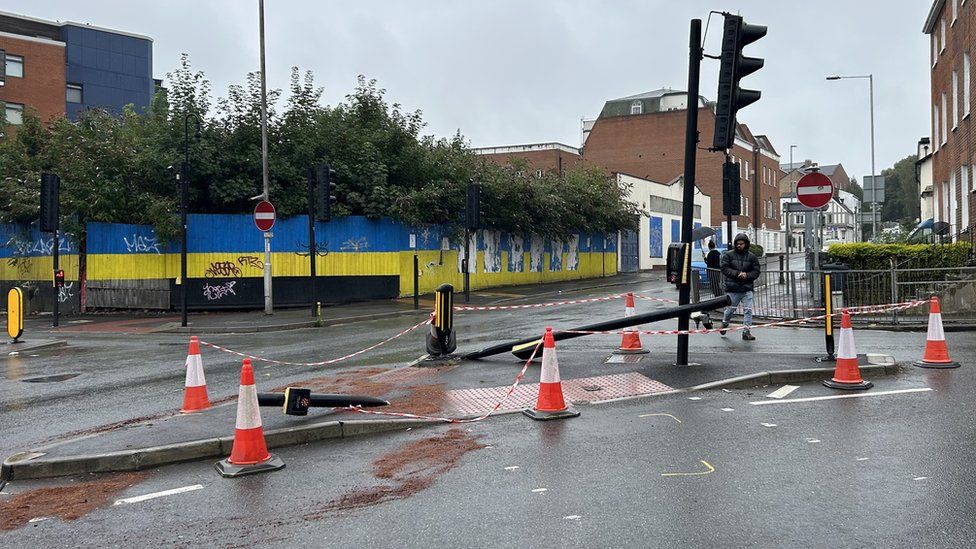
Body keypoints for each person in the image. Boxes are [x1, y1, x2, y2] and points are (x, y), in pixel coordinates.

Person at [720, 233, 760, 340]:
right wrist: (737, 273)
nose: (739, 246)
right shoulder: (728, 255)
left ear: (746, 244)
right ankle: (725, 323)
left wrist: (747, 275)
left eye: (741, 244)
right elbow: (724, 268)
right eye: (737, 244)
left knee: (748, 310)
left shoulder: (752, 257)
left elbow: (756, 271)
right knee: (730, 310)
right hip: (733, 288)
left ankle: (746, 332)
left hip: (747, 288)